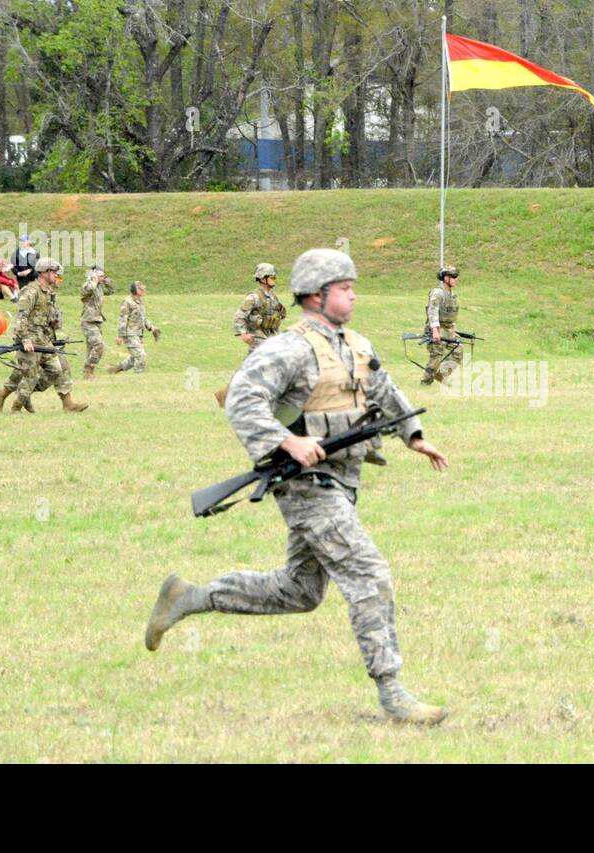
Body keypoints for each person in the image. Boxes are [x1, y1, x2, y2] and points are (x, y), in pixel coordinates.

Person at [143, 248, 451, 725]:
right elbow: (243, 401)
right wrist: (286, 439)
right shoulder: (288, 349)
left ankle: (189, 597)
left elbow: (384, 390)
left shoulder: (356, 344)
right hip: (307, 485)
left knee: (301, 590)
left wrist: (414, 436)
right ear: (316, 294)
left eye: (352, 286)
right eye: (344, 288)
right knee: (370, 575)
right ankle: (393, 694)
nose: (352, 294)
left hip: (344, 478)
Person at [0, 257, 88, 414]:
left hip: (44, 340)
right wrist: (25, 339)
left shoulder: (48, 293)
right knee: (29, 376)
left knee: (56, 370)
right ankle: (15, 407)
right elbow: (22, 317)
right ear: (45, 273)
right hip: (30, 341)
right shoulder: (31, 291)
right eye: (54, 272)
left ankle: (68, 404)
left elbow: (49, 319)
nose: (57, 276)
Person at [214, 262, 286, 407]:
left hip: (271, 336)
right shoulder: (254, 297)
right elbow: (239, 316)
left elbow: (279, 315)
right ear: (263, 278)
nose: (274, 279)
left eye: (275, 277)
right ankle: (227, 395)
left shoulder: (273, 297)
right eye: (272, 277)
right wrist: (243, 334)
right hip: (258, 337)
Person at [422, 266, 461, 385]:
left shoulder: (451, 294)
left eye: (456, 277)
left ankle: (441, 376)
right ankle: (426, 381)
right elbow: (432, 311)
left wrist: (454, 330)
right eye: (453, 277)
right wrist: (435, 331)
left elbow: (451, 314)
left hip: (449, 329)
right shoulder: (438, 293)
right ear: (446, 278)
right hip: (438, 328)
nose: (456, 279)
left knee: (458, 352)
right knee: (436, 356)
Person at [110, 281, 160, 374]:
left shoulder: (139, 302)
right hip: (130, 334)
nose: (143, 290)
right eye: (141, 288)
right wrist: (120, 336)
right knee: (141, 356)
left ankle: (116, 369)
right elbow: (122, 319)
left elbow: (142, 318)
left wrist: (152, 328)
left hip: (138, 335)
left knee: (134, 358)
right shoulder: (127, 302)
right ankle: (139, 378)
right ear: (136, 290)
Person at [79, 266, 115, 379]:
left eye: (103, 276)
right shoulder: (88, 285)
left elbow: (111, 290)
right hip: (88, 321)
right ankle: (89, 369)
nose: (102, 278)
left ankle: (87, 374)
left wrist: (106, 279)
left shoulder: (100, 287)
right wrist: (93, 279)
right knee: (99, 346)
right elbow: (88, 290)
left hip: (97, 320)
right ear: (93, 276)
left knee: (91, 348)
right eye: (100, 276)